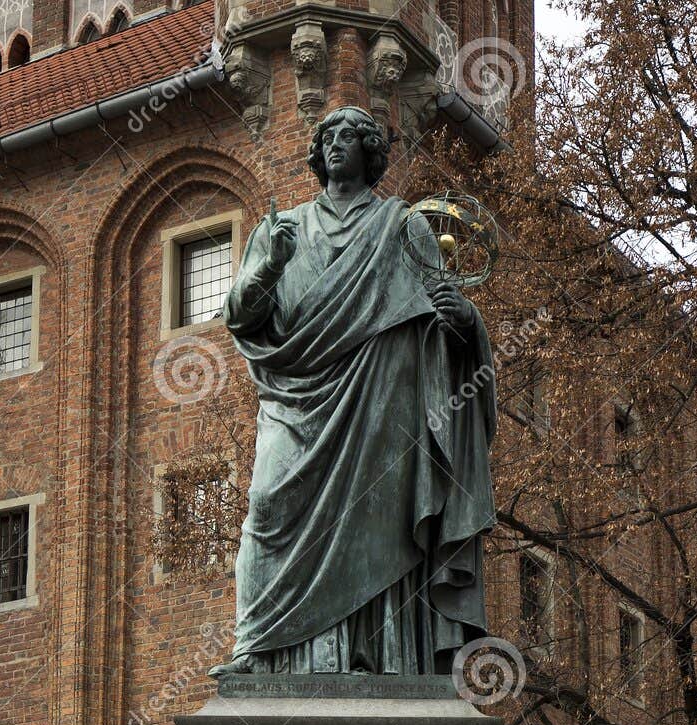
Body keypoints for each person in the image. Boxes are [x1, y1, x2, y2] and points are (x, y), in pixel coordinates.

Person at [213, 106, 496, 676]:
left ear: (371, 152)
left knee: (379, 523)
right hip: (297, 401)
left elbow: (445, 320)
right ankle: (259, 647)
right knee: (267, 505)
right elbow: (241, 317)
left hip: (383, 399)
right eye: (330, 136)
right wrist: (269, 268)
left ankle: (382, 656)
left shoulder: (404, 226)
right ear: (319, 153)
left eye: (351, 136)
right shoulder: (282, 229)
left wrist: (466, 323)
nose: (338, 143)